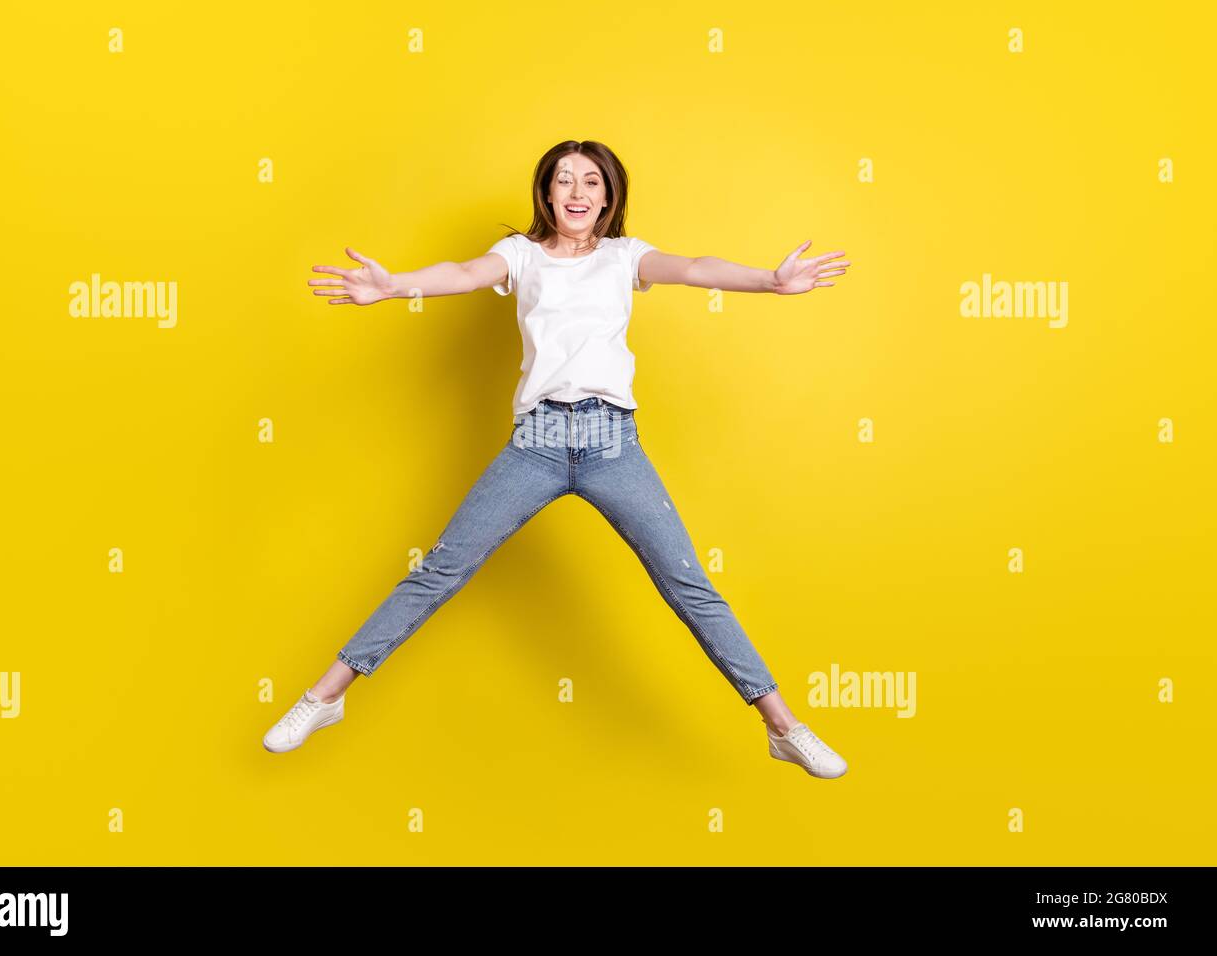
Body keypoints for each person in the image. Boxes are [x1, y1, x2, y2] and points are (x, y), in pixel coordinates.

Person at [266, 139, 852, 778]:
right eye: (564, 180)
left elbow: (692, 266)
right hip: (536, 445)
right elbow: (463, 274)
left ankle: (784, 728)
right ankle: (323, 698)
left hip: (612, 445)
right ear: (546, 193)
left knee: (690, 585)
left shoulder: (625, 258)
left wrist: (770, 281)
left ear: (609, 196)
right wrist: (393, 286)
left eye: (591, 182)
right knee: (439, 571)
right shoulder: (521, 256)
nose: (577, 192)